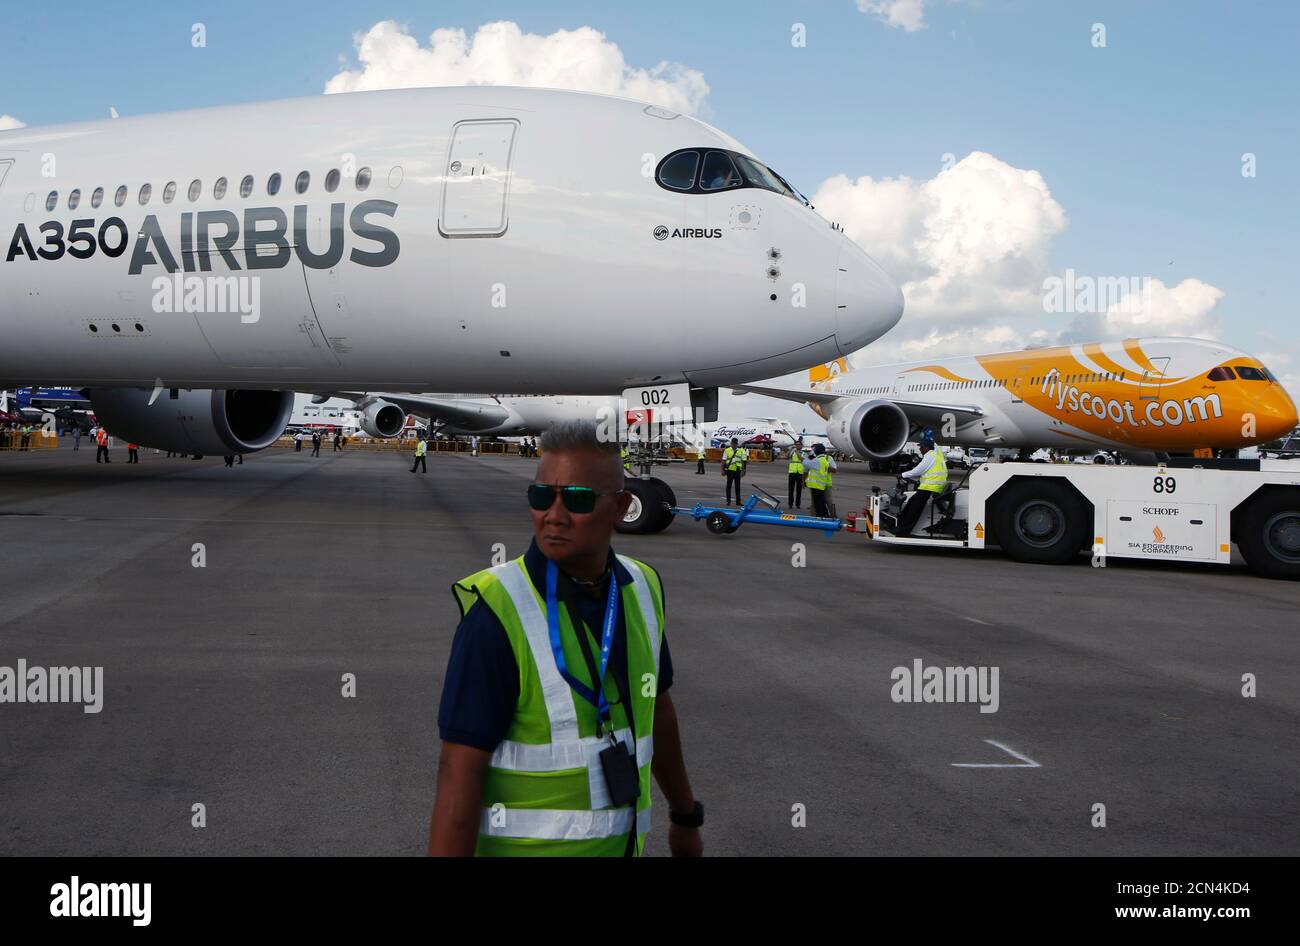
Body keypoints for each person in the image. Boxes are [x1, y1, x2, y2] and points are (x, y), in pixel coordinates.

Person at [429, 420, 702, 857]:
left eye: (576, 499)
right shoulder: (496, 613)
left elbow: (658, 711)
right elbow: (457, 775)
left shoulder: (642, 586)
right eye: (541, 496)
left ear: (621, 507)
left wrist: (685, 814)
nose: (553, 515)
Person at [896, 437, 948, 536]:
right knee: (911, 502)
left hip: (929, 487)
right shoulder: (937, 456)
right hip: (934, 487)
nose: (920, 449)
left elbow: (918, 470)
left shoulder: (930, 456)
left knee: (914, 510)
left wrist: (902, 475)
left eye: (921, 447)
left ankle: (903, 531)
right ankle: (899, 525)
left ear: (926, 447)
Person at [805, 444, 836, 518]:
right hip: (817, 484)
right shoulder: (814, 458)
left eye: (814, 449)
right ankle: (813, 517)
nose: (813, 451)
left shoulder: (829, 458)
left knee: (829, 502)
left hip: (826, 484)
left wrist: (824, 467)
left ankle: (833, 517)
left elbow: (834, 470)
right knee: (814, 503)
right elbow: (807, 469)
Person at [721, 438, 748, 506]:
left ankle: (738, 502)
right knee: (728, 486)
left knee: (738, 487)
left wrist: (743, 470)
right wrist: (722, 470)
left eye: (735, 443)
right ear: (731, 443)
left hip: (737, 470)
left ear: (737, 444)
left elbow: (743, 461)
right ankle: (728, 501)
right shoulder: (727, 450)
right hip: (729, 470)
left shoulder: (740, 451)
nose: (734, 445)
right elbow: (723, 461)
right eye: (733, 443)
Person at [787, 441, 805, 509]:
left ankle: (798, 504)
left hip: (800, 473)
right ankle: (790, 504)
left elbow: (802, 459)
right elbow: (786, 457)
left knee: (799, 490)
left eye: (799, 445)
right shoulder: (792, 452)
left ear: (801, 446)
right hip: (792, 472)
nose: (797, 446)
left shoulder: (804, 453)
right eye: (796, 445)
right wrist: (790, 449)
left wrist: (797, 452)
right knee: (791, 489)